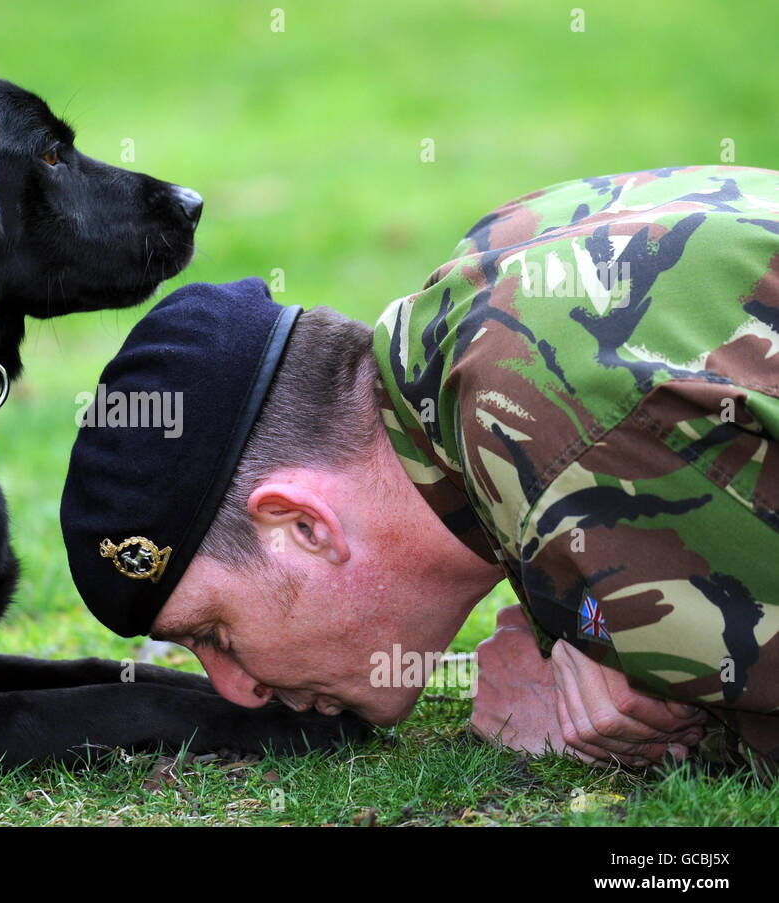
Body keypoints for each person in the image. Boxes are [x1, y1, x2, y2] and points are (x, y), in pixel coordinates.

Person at [60, 165, 779, 769]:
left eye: (214, 633)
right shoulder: (496, 271)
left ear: (302, 525)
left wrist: (680, 720)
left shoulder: (557, 450)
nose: (238, 690)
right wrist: (576, 621)